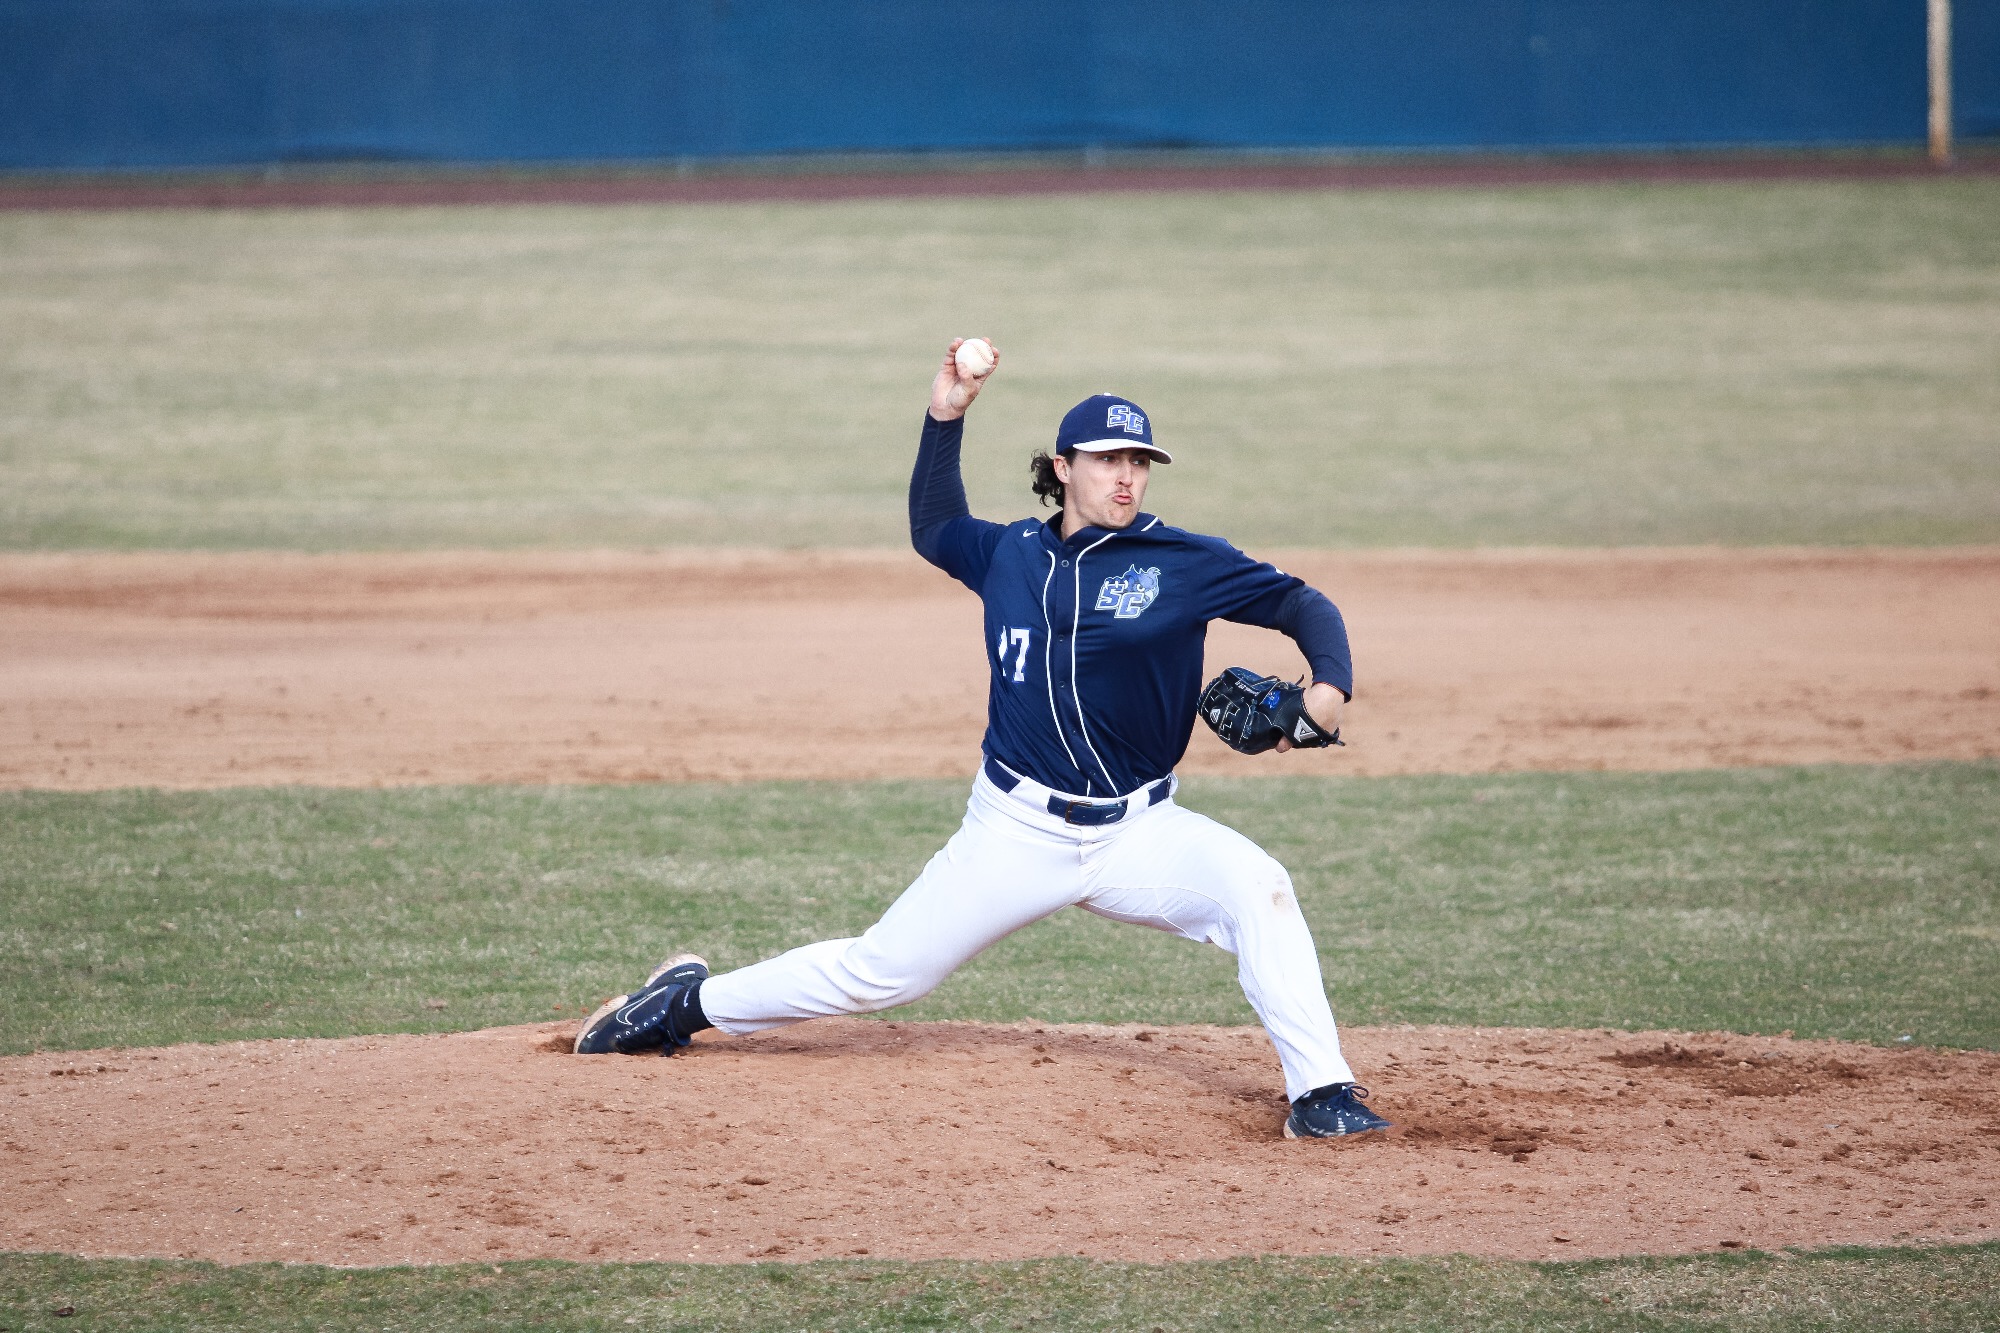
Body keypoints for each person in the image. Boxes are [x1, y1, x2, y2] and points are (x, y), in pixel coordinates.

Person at [576, 340, 1389, 1139]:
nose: (1127, 476)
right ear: (1064, 466)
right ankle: (682, 1003)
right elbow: (935, 526)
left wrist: (1329, 686)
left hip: (1141, 830)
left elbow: (1300, 603)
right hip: (1016, 830)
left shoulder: (1181, 561)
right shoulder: (1008, 554)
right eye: (1108, 459)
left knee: (1259, 886)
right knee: (881, 972)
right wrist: (945, 417)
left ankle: (1321, 1092)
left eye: (1140, 461)